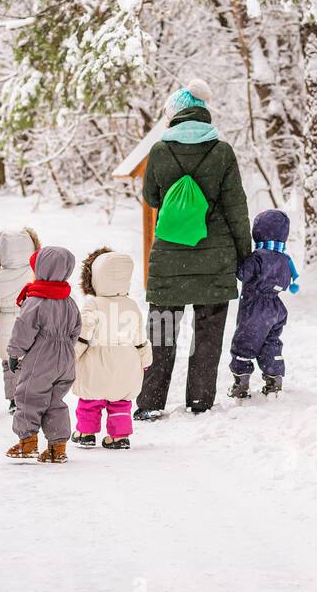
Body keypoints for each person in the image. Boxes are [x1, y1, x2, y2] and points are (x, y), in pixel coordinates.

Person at [134, 78, 250, 420]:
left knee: (162, 332)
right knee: (208, 333)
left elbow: (152, 198)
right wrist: (245, 254)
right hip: (215, 259)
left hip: (169, 259)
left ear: (175, 115)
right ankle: (199, 402)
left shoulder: (159, 150)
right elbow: (236, 207)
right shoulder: (222, 151)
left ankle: (151, 403)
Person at [5, 247, 81, 464]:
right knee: (55, 401)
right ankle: (58, 447)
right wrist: (65, 348)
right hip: (66, 359)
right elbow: (76, 329)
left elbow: (24, 329)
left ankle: (27, 443)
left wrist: (15, 353)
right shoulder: (69, 301)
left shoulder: (36, 301)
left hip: (41, 358)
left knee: (29, 397)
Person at [71, 248, 152, 450]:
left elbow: (83, 336)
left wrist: (71, 356)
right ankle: (119, 436)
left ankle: (86, 433)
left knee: (91, 400)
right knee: (121, 402)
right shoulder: (131, 305)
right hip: (127, 362)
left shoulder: (94, 304)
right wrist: (145, 359)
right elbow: (140, 338)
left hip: (97, 362)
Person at [228, 210, 299, 399]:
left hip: (255, 308)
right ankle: (274, 380)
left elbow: (243, 274)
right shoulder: (285, 259)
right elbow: (285, 283)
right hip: (276, 308)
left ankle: (241, 384)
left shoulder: (258, 256)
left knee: (244, 343)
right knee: (271, 343)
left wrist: (237, 262)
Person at [0, 226, 40, 412]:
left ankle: (15, 400)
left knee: (10, 365)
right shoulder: (35, 274)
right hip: (31, 325)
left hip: (6, 330)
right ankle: (32, 396)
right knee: (32, 365)